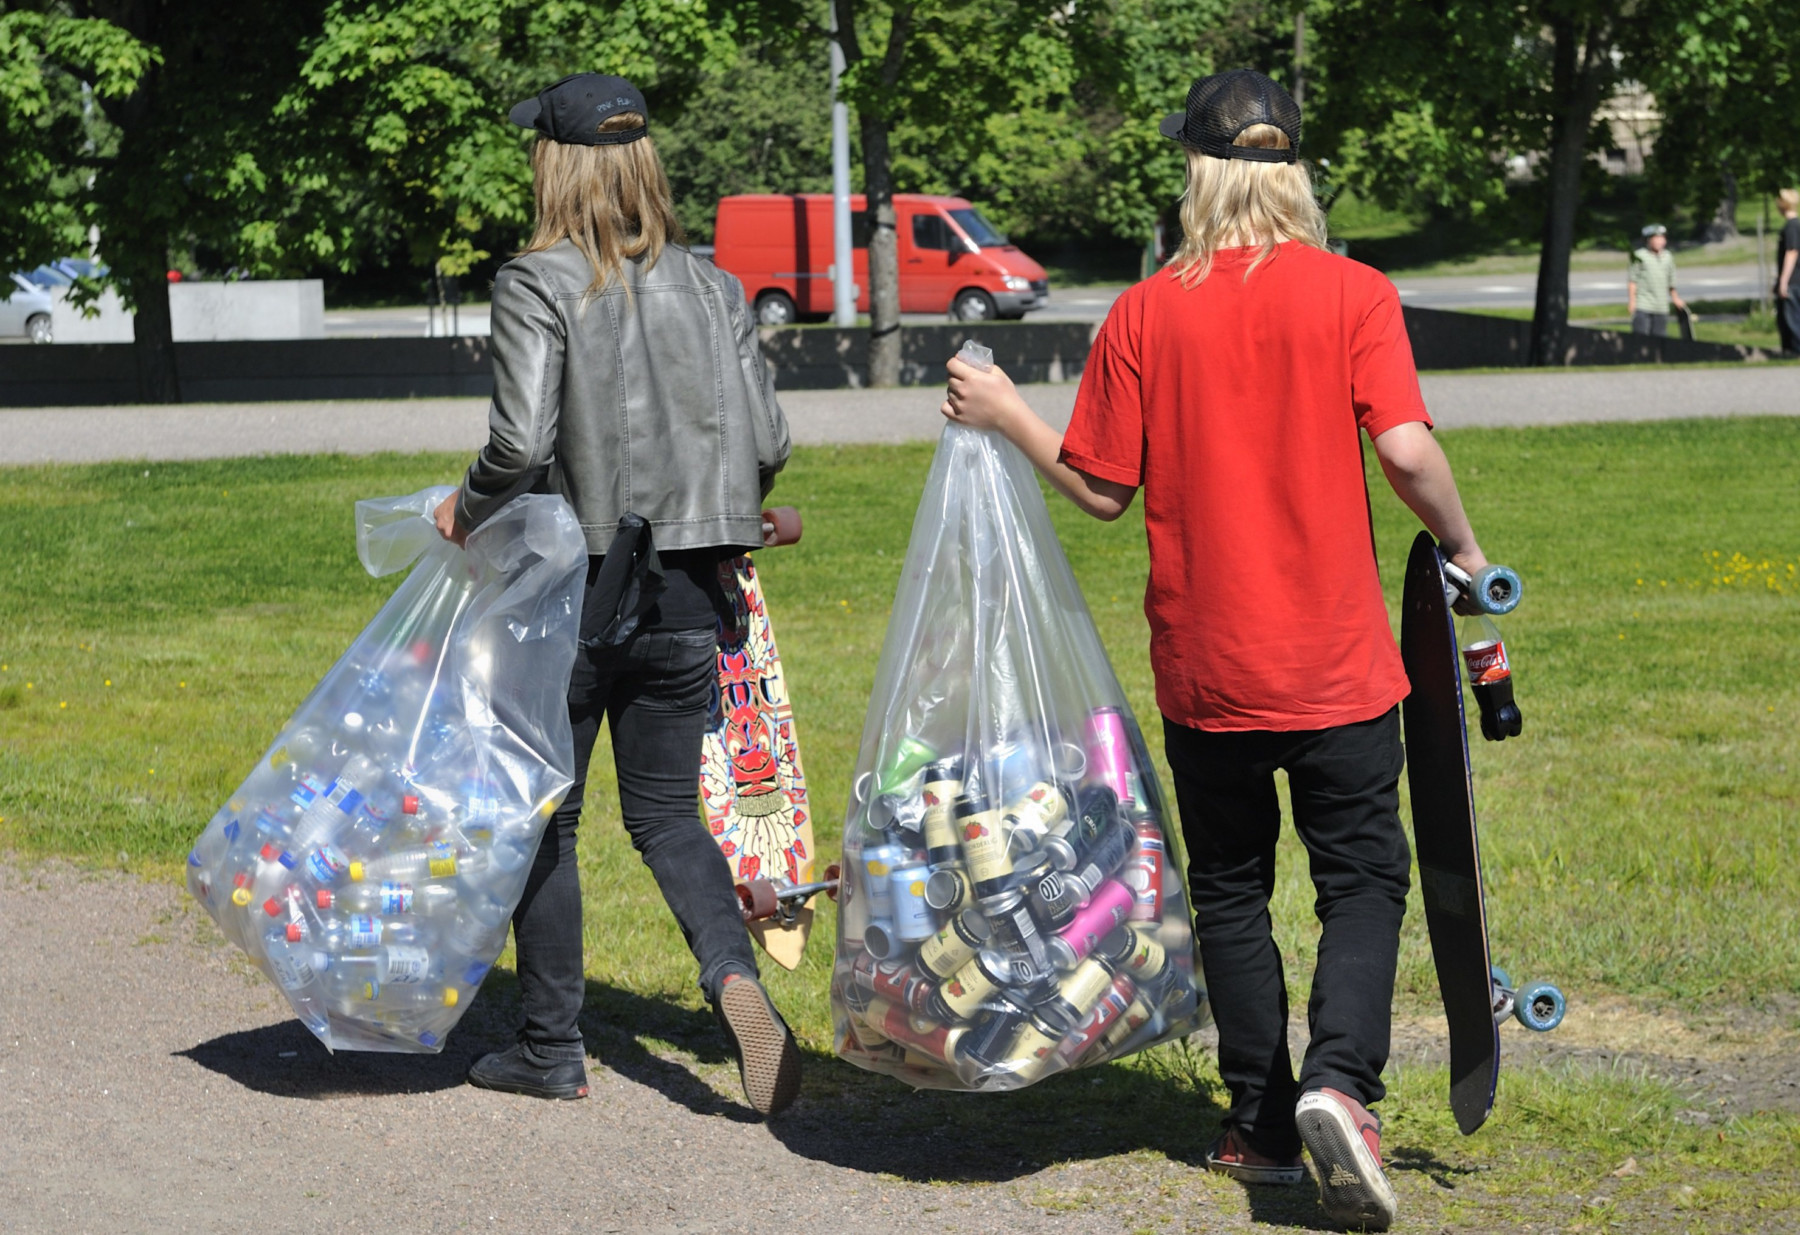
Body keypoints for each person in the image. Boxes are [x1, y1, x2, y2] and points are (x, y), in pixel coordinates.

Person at [940, 69, 1493, 1233]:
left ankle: (1258, 1117)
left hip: (1209, 666)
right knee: (1361, 879)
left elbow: (1099, 485)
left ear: (1194, 170)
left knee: (1234, 887)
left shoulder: (1147, 311)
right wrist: (1463, 543)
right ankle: (1341, 1084)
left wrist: (1003, 412)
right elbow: (1403, 447)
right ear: (1292, 169)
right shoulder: (1354, 292)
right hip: (1337, 664)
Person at [432, 73, 802, 1117]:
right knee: (666, 814)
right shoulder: (719, 287)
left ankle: (550, 1044)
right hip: (692, 591)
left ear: (555, 162)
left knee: (545, 811)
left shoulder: (536, 280)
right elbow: (769, 443)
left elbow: (520, 442)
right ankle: (733, 976)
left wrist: (462, 510)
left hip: (574, 593)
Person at [1628, 223, 1686, 336]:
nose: (1660, 241)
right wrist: (1632, 301)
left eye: (1662, 238)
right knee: (1641, 337)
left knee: (1660, 338)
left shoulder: (1668, 257)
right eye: (1656, 238)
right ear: (1648, 240)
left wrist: (1675, 298)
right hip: (1643, 305)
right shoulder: (1638, 256)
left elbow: (1671, 280)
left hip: (1661, 306)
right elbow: (1632, 281)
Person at [1776, 188, 1800, 357]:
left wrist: (1783, 281)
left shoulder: (1792, 226)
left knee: (1792, 320)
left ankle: (1795, 351)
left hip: (1793, 281)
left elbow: (1792, 252)